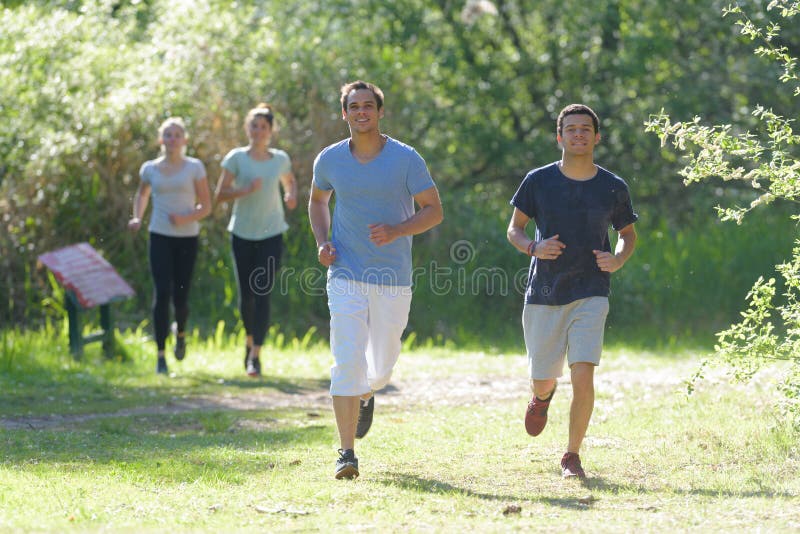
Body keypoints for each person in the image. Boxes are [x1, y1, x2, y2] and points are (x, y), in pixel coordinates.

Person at [309, 81, 443, 479]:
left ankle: (368, 392)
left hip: (392, 276)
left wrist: (398, 230)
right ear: (344, 114)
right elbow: (317, 200)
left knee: (381, 367)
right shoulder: (330, 159)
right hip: (345, 271)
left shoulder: (405, 159)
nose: (361, 112)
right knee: (346, 358)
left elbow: (434, 210)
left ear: (380, 112)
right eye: (354, 107)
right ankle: (345, 453)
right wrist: (323, 242)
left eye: (369, 106)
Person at [506, 104, 638, 479]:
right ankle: (542, 397)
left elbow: (627, 236)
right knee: (544, 376)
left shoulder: (613, 186)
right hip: (545, 290)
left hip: (592, 290)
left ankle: (571, 455)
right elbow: (514, 230)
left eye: (586, 129)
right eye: (571, 129)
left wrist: (617, 259)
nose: (579, 134)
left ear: (597, 137)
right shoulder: (538, 181)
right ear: (559, 136)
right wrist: (534, 247)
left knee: (583, 374)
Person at [215, 104, 297, 377]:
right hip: (242, 233)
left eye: (263, 126)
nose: (258, 131)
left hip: (272, 233)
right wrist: (244, 190)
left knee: (263, 293)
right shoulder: (236, 158)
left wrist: (291, 196)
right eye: (254, 125)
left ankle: (255, 355)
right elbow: (220, 194)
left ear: (271, 131)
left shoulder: (280, 159)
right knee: (246, 296)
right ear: (246, 128)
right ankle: (249, 340)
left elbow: (290, 183)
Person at [128, 117, 211, 374]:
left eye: (177, 135)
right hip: (159, 236)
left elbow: (206, 206)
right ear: (160, 139)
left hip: (187, 237)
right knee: (161, 293)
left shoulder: (194, 167)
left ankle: (181, 333)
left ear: (184, 140)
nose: (172, 140)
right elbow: (142, 195)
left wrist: (185, 218)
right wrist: (137, 218)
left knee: (181, 297)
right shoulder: (150, 169)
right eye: (167, 135)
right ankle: (161, 356)